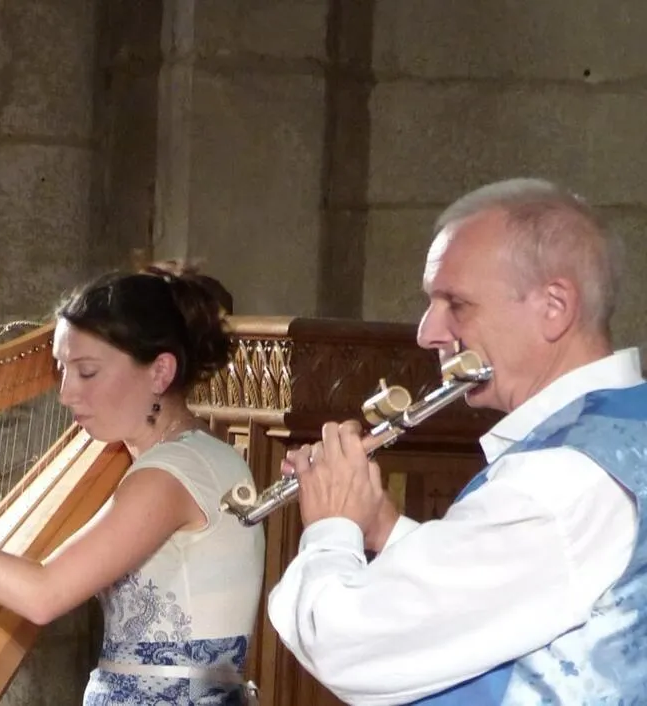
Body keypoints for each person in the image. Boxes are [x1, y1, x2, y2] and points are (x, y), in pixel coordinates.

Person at [267, 177, 647, 704]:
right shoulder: (624, 433)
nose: (428, 333)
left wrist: (332, 528)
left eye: (457, 304)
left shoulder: (560, 479)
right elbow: (513, 593)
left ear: (554, 306)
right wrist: (383, 527)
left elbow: (351, 643)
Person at [0, 263, 266, 705]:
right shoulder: (185, 459)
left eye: (87, 371)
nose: (65, 393)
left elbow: (43, 594)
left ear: (159, 372)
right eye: (62, 370)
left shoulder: (171, 473)